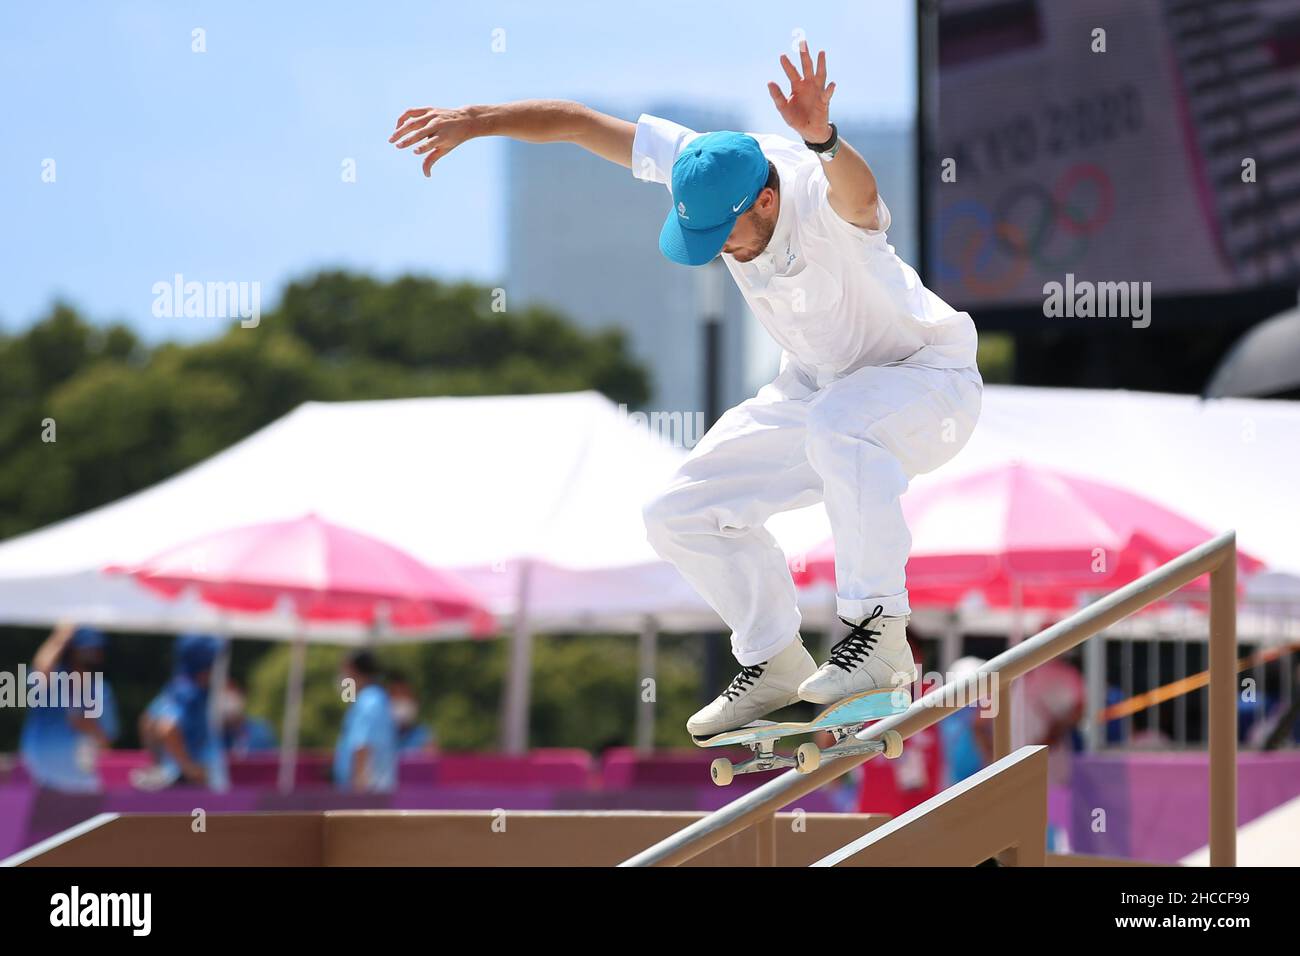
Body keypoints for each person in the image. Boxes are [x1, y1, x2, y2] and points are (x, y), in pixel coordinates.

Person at [391, 41, 981, 735]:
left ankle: (878, 636)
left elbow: (863, 194)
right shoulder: (706, 161)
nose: (720, 251)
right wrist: (477, 119)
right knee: (678, 511)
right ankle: (775, 662)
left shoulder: (819, 196)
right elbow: (580, 124)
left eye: (725, 236)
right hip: (819, 392)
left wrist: (823, 137)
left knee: (841, 425)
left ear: (766, 201)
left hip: (927, 384)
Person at [20, 623, 120, 793]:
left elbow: (107, 741)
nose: (94, 653)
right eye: (87, 648)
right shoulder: (54, 681)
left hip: (83, 782)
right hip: (41, 780)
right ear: (72, 649)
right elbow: (41, 669)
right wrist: (61, 636)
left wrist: (91, 728)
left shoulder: (100, 689)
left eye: (97, 648)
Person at [135, 634, 227, 790]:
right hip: (190, 783)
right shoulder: (189, 694)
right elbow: (167, 728)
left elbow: (146, 722)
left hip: (176, 779)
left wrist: (158, 761)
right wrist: (189, 768)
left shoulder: (175, 688)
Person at [334, 651, 398, 792]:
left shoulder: (369, 702)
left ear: (354, 671)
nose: (343, 677)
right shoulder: (369, 699)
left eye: (345, 671)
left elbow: (362, 746)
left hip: (367, 792)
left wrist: (359, 794)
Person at [219, 678, 277, 757]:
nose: (228, 704)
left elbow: (271, 762)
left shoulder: (262, 731)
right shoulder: (214, 735)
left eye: (230, 697)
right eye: (223, 699)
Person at [387, 673, 435, 753]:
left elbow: (432, 761)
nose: (401, 701)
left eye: (405, 695)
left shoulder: (424, 735)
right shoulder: (380, 735)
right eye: (396, 696)